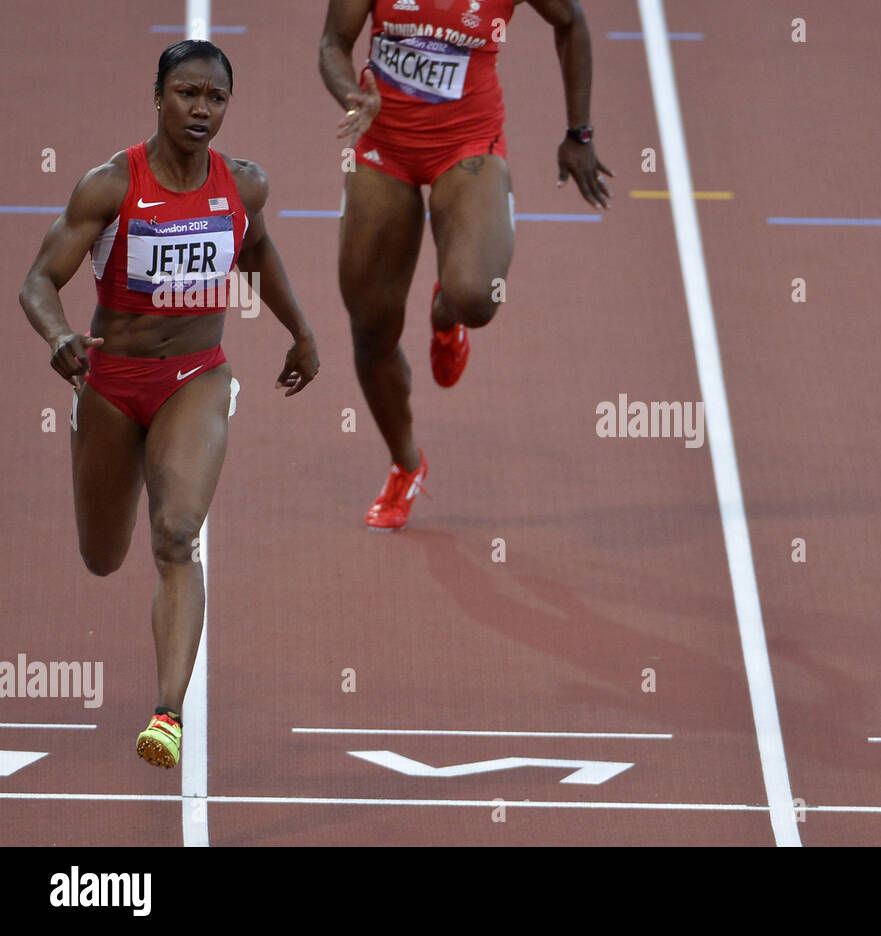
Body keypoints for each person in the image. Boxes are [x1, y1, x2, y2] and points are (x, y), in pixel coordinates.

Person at [18, 40, 319, 768]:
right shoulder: (109, 186)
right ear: (159, 97)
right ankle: (95, 474)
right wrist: (60, 336)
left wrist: (301, 332)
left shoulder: (242, 186)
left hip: (196, 377)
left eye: (215, 98)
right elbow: (36, 281)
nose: (202, 109)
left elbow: (258, 253)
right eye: (188, 93)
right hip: (111, 385)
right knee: (102, 557)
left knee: (177, 534)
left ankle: (167, 715)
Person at [319, 0, 613, 530]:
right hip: (383, 148)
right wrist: (351, 96)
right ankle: (406, 463)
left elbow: (571, 21)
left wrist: (579, 134)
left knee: (477, 297)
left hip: (468, 146)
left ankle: (445, 312)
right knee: (371, 329)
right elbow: (332, 44)